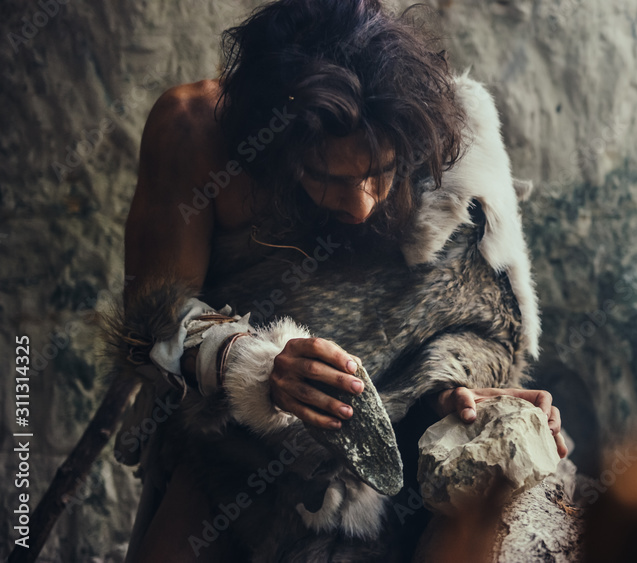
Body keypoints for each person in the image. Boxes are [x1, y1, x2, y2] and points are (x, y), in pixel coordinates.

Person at [113, 1, 566, 561]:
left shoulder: (448, 128)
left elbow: (481, 323)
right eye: (327, 176)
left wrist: (451, 391)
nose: (362, 204)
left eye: (381, 171)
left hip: (408, 460)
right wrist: (253, 364)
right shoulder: (196, 134)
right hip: (233, 457)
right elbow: (149, 323)